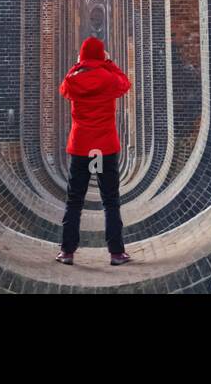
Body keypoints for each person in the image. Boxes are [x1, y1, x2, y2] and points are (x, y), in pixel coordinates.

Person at [56, 36, 132, 266]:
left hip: (82, 148)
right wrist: (108, 63)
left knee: (74, 201)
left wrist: (79, 64)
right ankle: (116, 253)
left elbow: (63, 87)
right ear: (101, 55)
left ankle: (67, 252)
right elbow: (125, 83)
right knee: (110, 201)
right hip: (104, 148)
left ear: (82, 56)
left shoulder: (74, 80)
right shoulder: (109, 79)